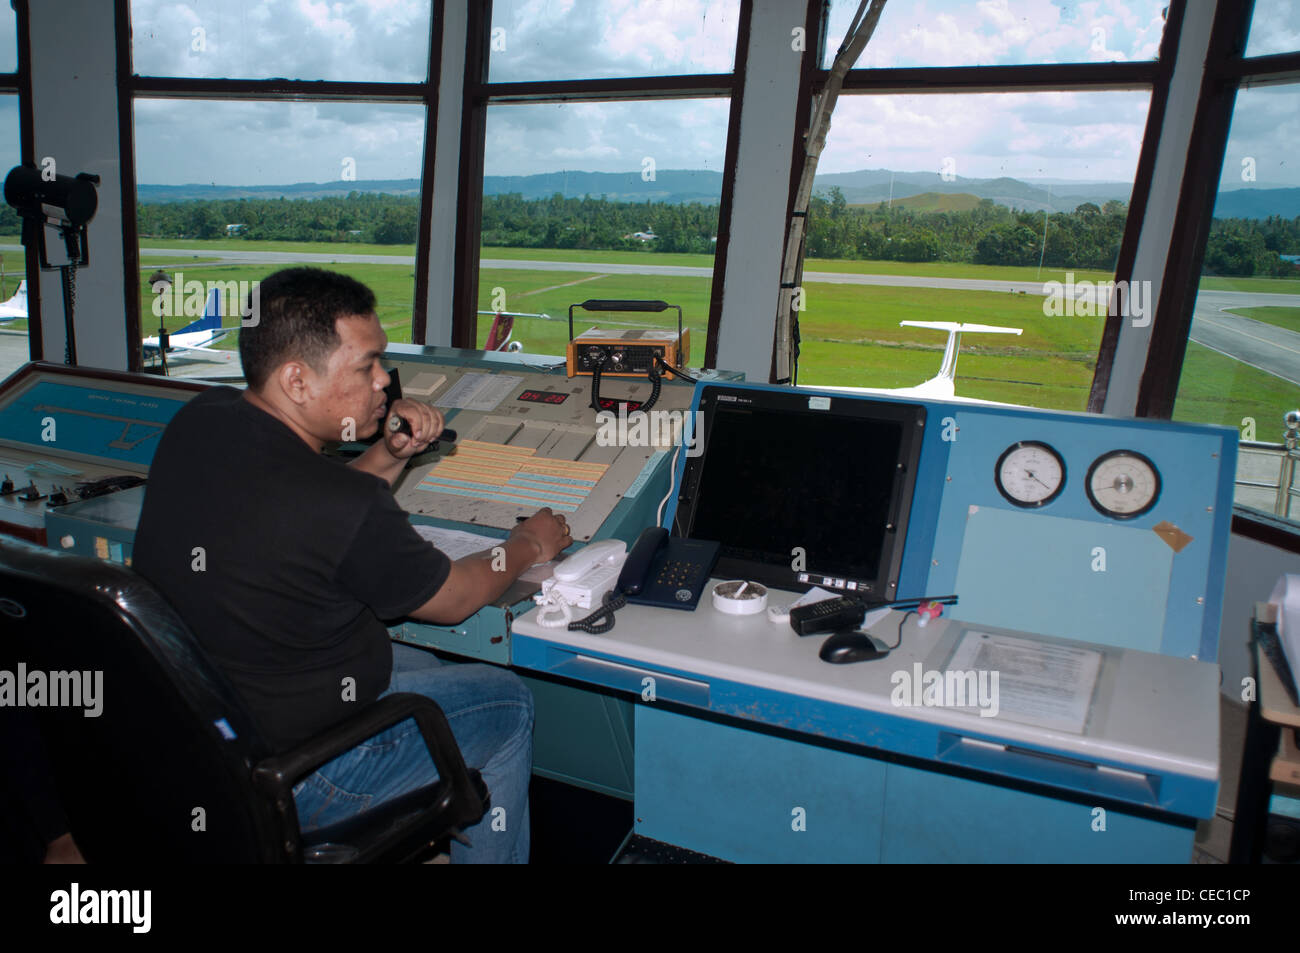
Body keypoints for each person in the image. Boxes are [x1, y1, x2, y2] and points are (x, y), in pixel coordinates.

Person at [133, 267, 570, 863]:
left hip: (196, 745)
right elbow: (455, 597)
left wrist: (388, 454)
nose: (385, 381)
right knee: (509, 702)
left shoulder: (201, 419)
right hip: (302, 775)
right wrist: (528, 543)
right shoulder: (343, 505)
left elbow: (309, 511)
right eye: (366, 366)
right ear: (297, 380)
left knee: (422, 663)